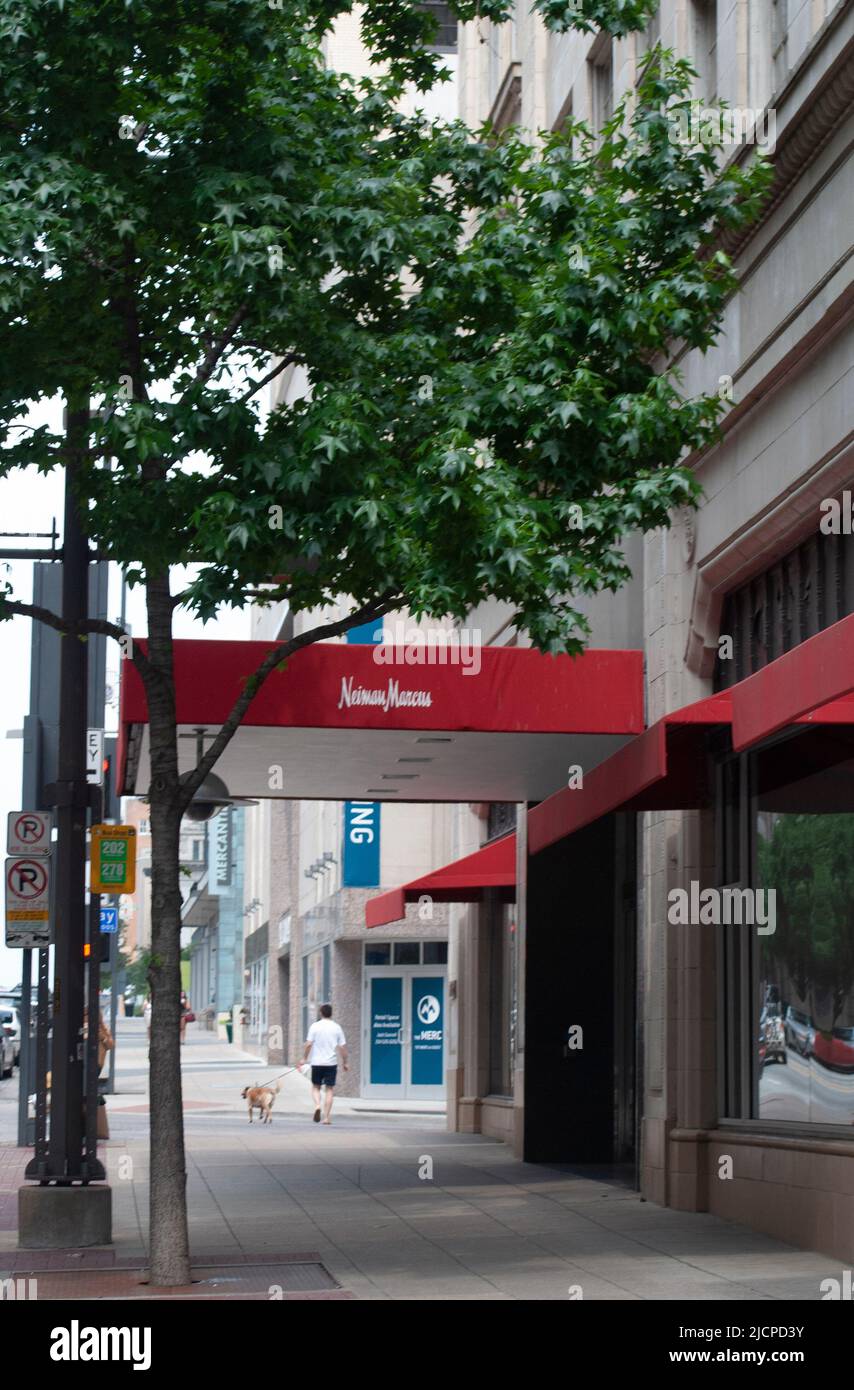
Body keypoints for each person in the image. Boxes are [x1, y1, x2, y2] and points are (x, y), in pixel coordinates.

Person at [302, 1004, 348, 1125]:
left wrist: (304, 1058)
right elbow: (342, 1047)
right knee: (329, 1089)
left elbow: (308, 1044)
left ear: (321, 1013)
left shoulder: (315, 1026)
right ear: (331, 1013)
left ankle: (317, 1105)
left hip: (316, 1062)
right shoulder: (337, 1027)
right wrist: (345, 1062)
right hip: (331, 1063)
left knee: (316, 1087)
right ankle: (326, 1117)